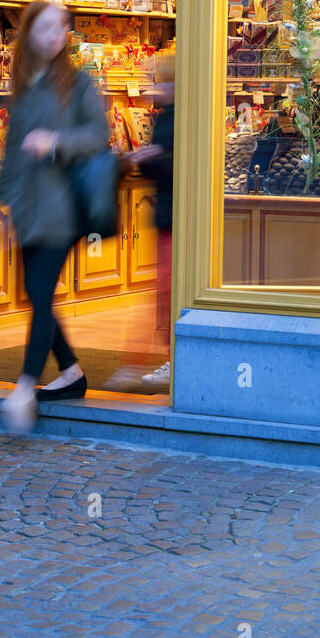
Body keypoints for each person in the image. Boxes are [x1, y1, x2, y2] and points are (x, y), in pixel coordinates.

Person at [0, 0, 111, 433]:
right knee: (37, 294)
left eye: (61, 27)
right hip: (30, 209)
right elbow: (13, 152)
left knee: (41, 294)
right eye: (46, 27)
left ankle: (25, 386)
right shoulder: (25, 84)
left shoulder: (79, 82)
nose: (55, 35)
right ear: (29, 32)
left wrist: (54, 142)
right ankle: (70, 372)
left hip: (63, 209)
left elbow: (98, 136)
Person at [126, 53, 174, 389]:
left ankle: (144, 362)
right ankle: (142, 361)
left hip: (176, 212)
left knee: (167, 290)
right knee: (163, 291)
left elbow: (185, 164)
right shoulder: (166, 116)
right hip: (166, 211)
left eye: (163, 82)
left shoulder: (179, 116)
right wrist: (147, 159)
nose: (157, 89)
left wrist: (154, 157)